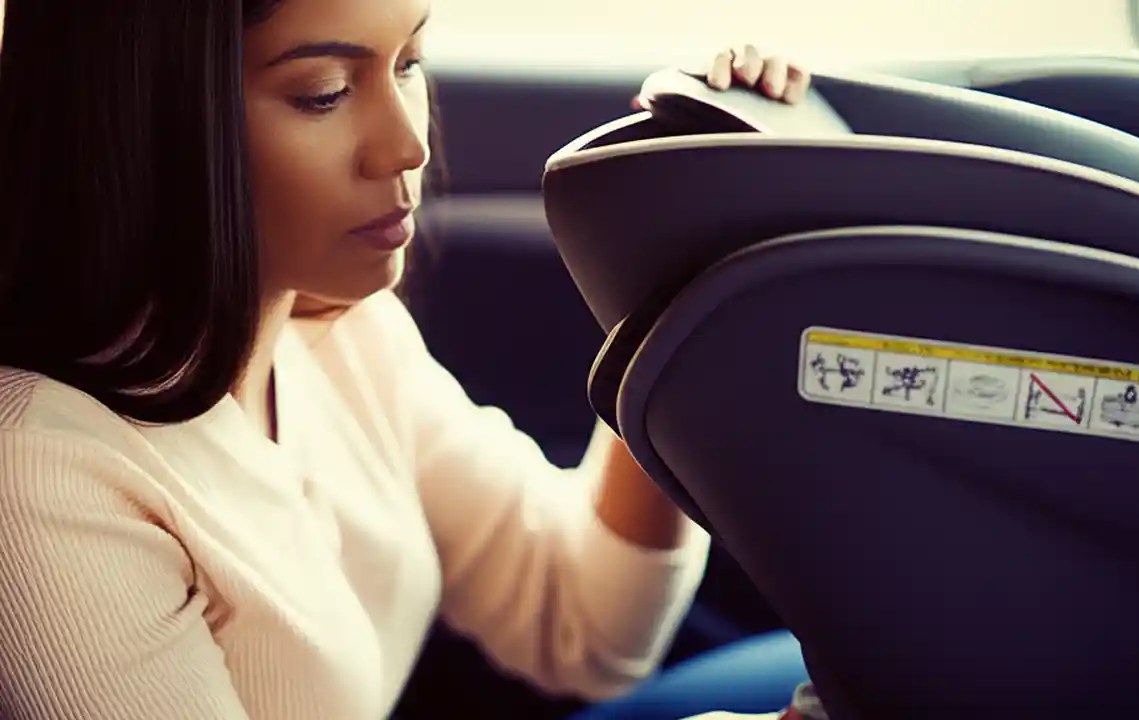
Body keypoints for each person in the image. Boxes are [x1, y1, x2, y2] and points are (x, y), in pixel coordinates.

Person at [0, 1, 812, 718]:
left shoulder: (341, 335)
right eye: (324, 92)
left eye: (411, 63)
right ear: (150, 115)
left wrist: (689, 271)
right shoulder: (44, 474)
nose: (407, 144)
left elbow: (583, 626)